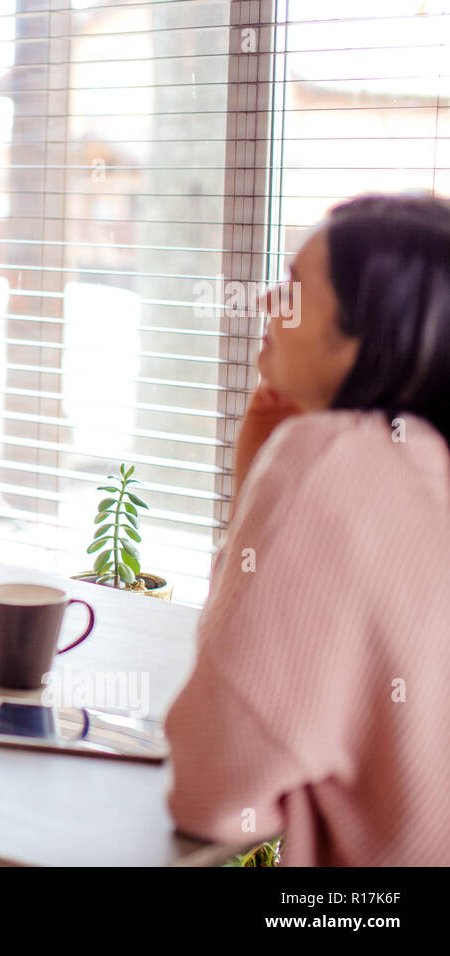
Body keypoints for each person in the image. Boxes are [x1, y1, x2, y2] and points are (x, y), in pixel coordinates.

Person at [164, 191, 450, 865]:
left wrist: (268, 487)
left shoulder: (331, 459)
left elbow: (217, 788)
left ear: (368, 331)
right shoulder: (425, 459)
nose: (268, 302)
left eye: (293, 286)